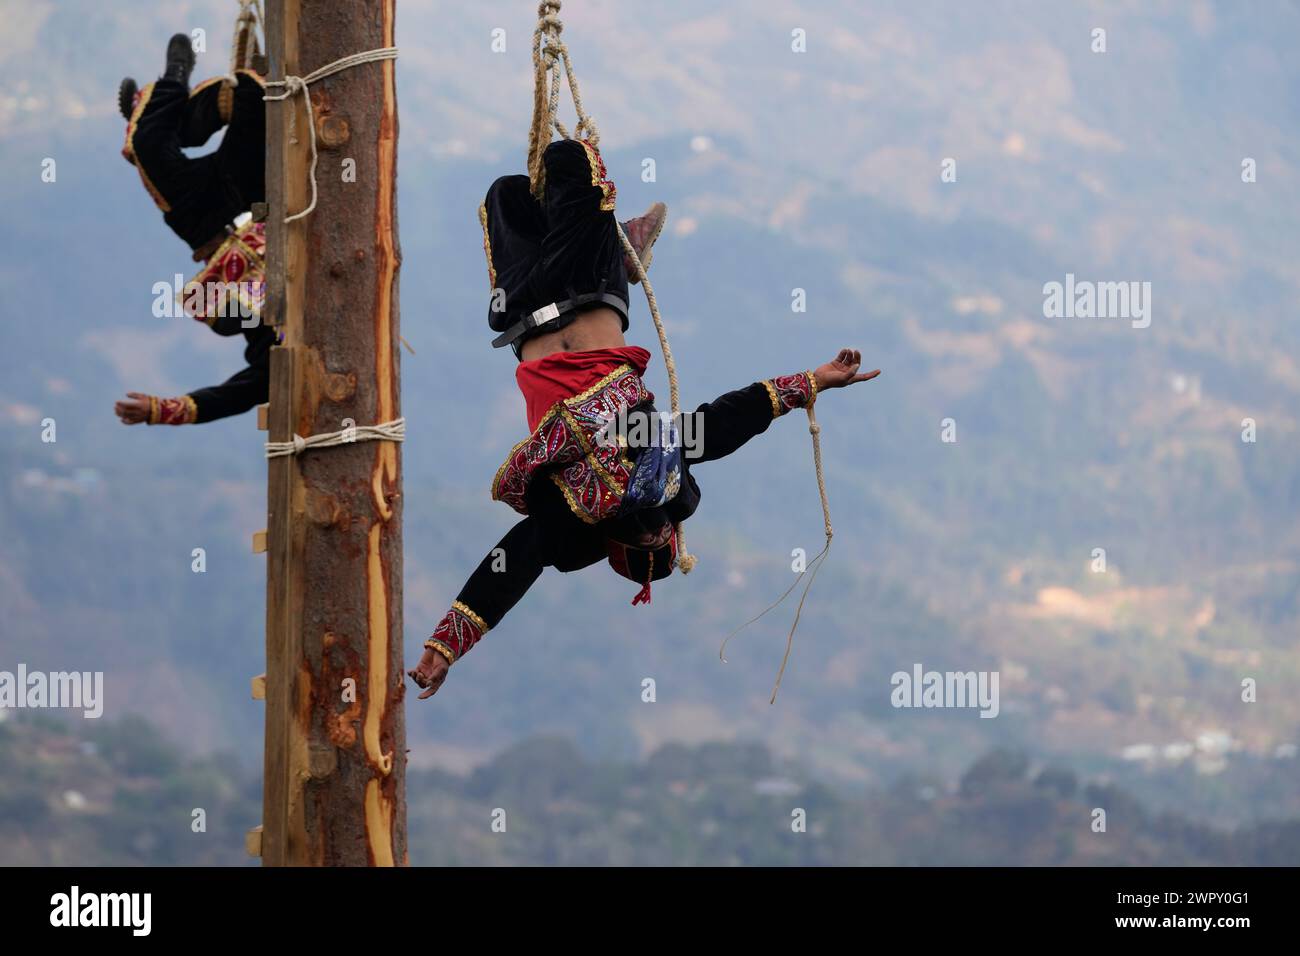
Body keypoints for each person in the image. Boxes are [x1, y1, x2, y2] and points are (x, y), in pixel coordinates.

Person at [408, 138, 879, 699]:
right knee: (567, 160)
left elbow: (509, 569)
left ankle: (622, 243)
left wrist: (444, 646)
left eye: (648, 544)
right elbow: (728, 419)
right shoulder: (654, 454)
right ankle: (618, 250)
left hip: (526, 317)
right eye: (663, 535)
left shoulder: (567, 516)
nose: (655, 531)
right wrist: (813, 381)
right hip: (589, 288)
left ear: (613, 546)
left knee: (507, 195)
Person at [113, 33, 274, 427]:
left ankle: (173, 86)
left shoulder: (268, 334)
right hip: (257, 199)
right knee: (253, 95)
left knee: (149, 146)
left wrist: (162, 410)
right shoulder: (311, 309)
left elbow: (249, 388)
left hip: (206, 223)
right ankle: (181, 116)